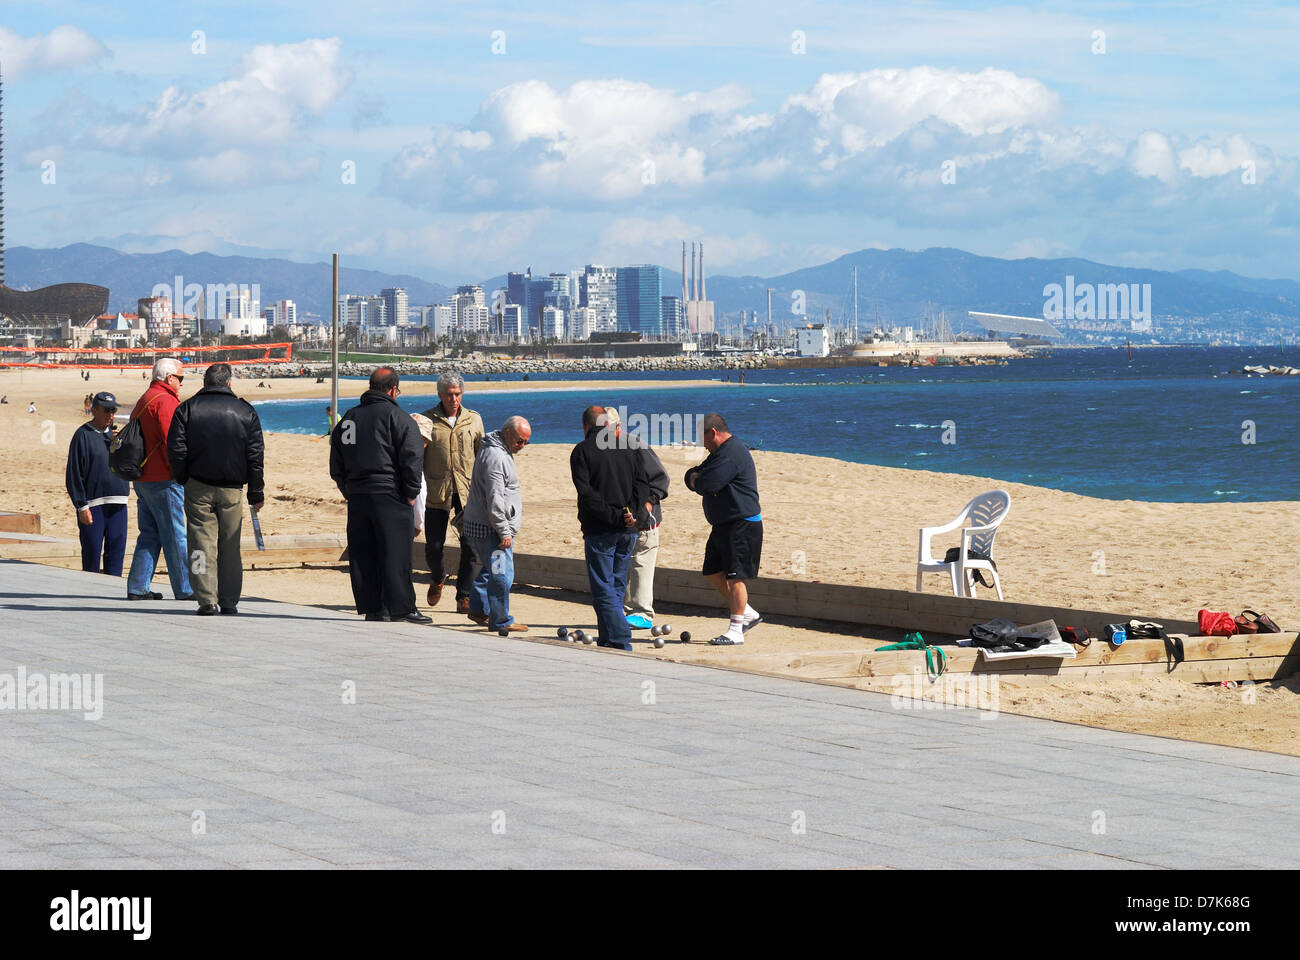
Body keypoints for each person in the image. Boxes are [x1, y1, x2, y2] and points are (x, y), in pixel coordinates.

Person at [329, 366, 431, 625]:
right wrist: (410, 493)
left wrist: (349, 489)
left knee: (365, 553)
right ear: (394, 389)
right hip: (390, 493)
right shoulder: (398, 417)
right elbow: (412, 458)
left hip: (359, 494)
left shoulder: (350, 418)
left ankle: (373, 607)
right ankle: (402, 607)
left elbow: (336, 460)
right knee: (395, 553)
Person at [167, 363, 265, 616]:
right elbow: (255, 455)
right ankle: (230, 600)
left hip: (198, 484)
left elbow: (177, 450)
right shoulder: (245, 411)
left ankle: (206, 599)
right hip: (232, 489)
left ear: (205, 382)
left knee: (200, 544)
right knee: (230, 546)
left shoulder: (186, 409)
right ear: (228, 382)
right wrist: (256, 491)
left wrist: (183, 477)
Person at [570, 406, 650, 651]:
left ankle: (619, 637)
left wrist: (617, 517)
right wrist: (632, 515)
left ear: (586, 426)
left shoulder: (582, 451)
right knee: (615, 585)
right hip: (627, 528)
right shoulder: (629, 447)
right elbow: (643, 486)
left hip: (602, 528)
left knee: (604, 586)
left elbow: (587, 495)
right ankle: (608, 639)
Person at [684, 413, 763, 645]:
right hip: (723, 524)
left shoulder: (731, 453)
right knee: (711, 571)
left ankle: (736, 631)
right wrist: (695, 478)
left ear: (714, 433)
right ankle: (747, 613)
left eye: (703, 438)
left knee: (736, 578)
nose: (702, 444)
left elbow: (707, 483)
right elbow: (691, 474)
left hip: (742, 523)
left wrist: (698, 479)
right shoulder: (718, 454)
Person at [125, 358, 193, 601]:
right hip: (162, 478)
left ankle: (138, 586)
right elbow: (171, 442)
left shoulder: (146, 398)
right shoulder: (165, 401)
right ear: (169, 378)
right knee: (176, 534)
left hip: (142, 476)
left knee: (149, 533)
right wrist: (181, 473)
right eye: (181, 378)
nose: (182, 384)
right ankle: (186, 588)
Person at [599, 406, 669, 632]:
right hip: (620, 520)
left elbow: (661, 479)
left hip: (644, 519)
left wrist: (647, 504)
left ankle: (642, 612)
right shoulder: (602, 448)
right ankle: (624, 610)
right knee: (623, 564)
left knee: (640, 562)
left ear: (618, 427)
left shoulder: (635, 446)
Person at [419, 372, 484, 612]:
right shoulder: (427, 420)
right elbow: (418, 457)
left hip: (468, 492)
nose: (453, 399)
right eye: (449, 395)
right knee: (434, 546)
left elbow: (482, 456)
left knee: (470, 546)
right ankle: (438, 577)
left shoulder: (473, 420)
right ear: (440, 395)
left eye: (457, 394)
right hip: (438, 491)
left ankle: (463, 596)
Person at [461, 416, 531, 633]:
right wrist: (504, 531)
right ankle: (500, 620)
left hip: (487, 526)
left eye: (526, 442)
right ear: (508, 433)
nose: (522, 446)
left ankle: (478, 608)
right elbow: (495, 498)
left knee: (492, 570)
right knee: (502, 575)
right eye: (520, 441)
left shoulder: (497, 450)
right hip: (492, 529)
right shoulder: (496, 457)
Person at [65, 391, 129, 576]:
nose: (111, 415)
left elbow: (129, 466)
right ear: (94, 410)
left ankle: (111, 601)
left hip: (118, 503)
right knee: (92, 555)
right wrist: (81, 506)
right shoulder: (82, 435)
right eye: (106, 410)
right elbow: (74, 474)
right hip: (93, 505)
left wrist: (122, 445)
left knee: (116, 555)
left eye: (113, 410)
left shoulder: (117, 436)